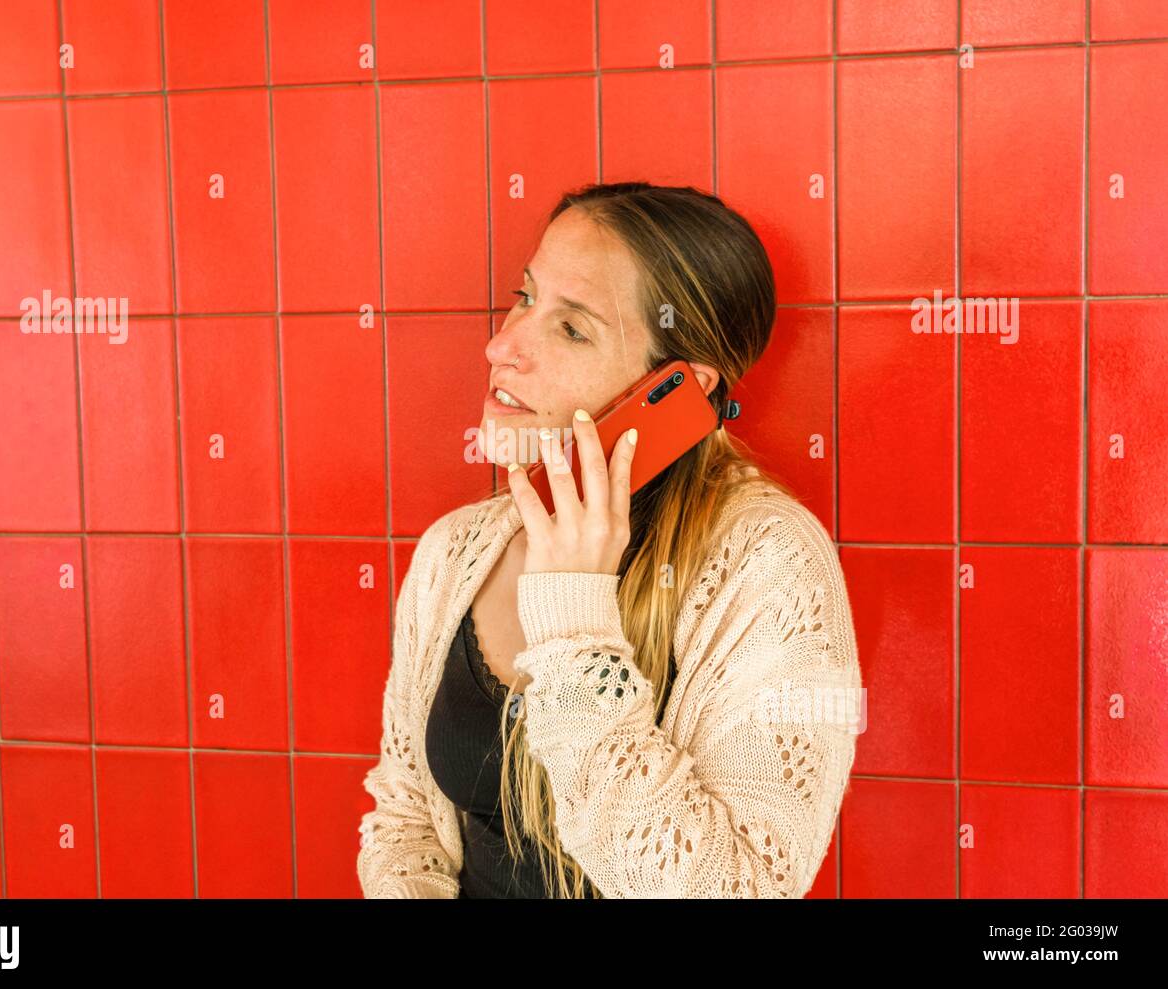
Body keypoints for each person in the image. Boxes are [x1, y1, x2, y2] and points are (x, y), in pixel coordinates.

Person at [357, 181, 862, 898]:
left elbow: (739, 890)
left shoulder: (770, 564)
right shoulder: (455, 551)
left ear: (678, 387)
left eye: (572, 328)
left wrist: (575, 627)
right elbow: (405, 814)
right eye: (525, 296)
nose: (501, 344)